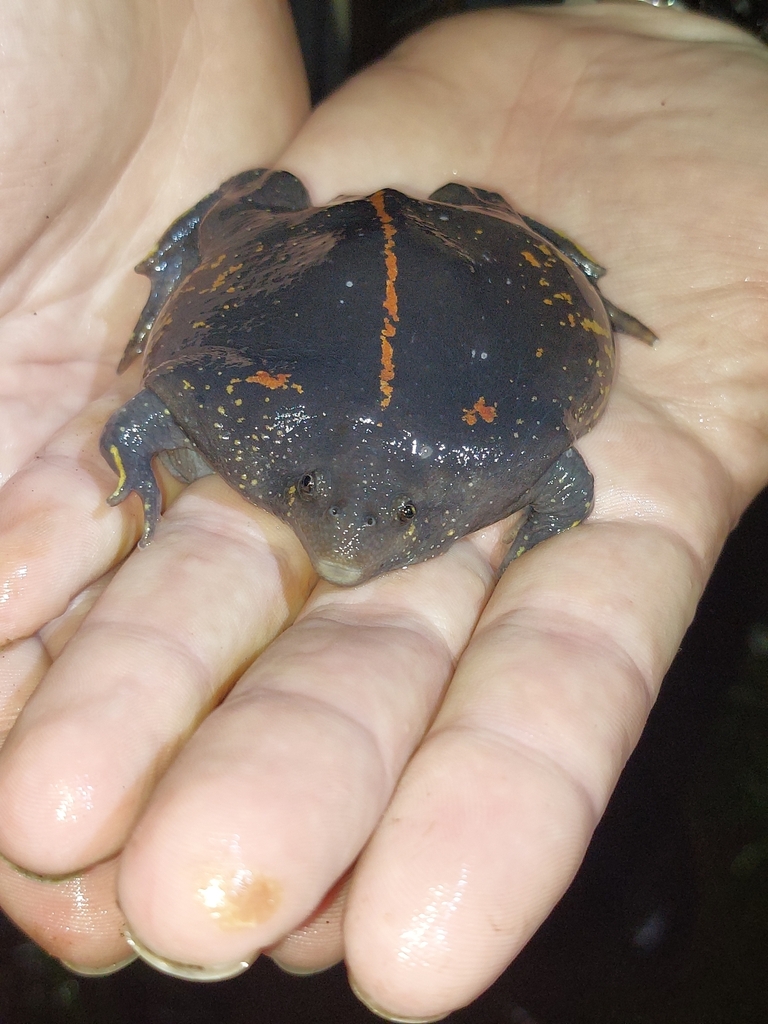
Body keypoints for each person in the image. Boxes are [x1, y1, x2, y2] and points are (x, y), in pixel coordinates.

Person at [0, 0, 765, 1019]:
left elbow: (567, 486)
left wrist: (534, 551)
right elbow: (145, 415)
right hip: (315, 257)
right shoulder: (268, 422)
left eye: (403, 522)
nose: (350, 553)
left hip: (457, 260)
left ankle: (613, 885)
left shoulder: (480, 453)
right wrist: (131, 464)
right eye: (315, 504)